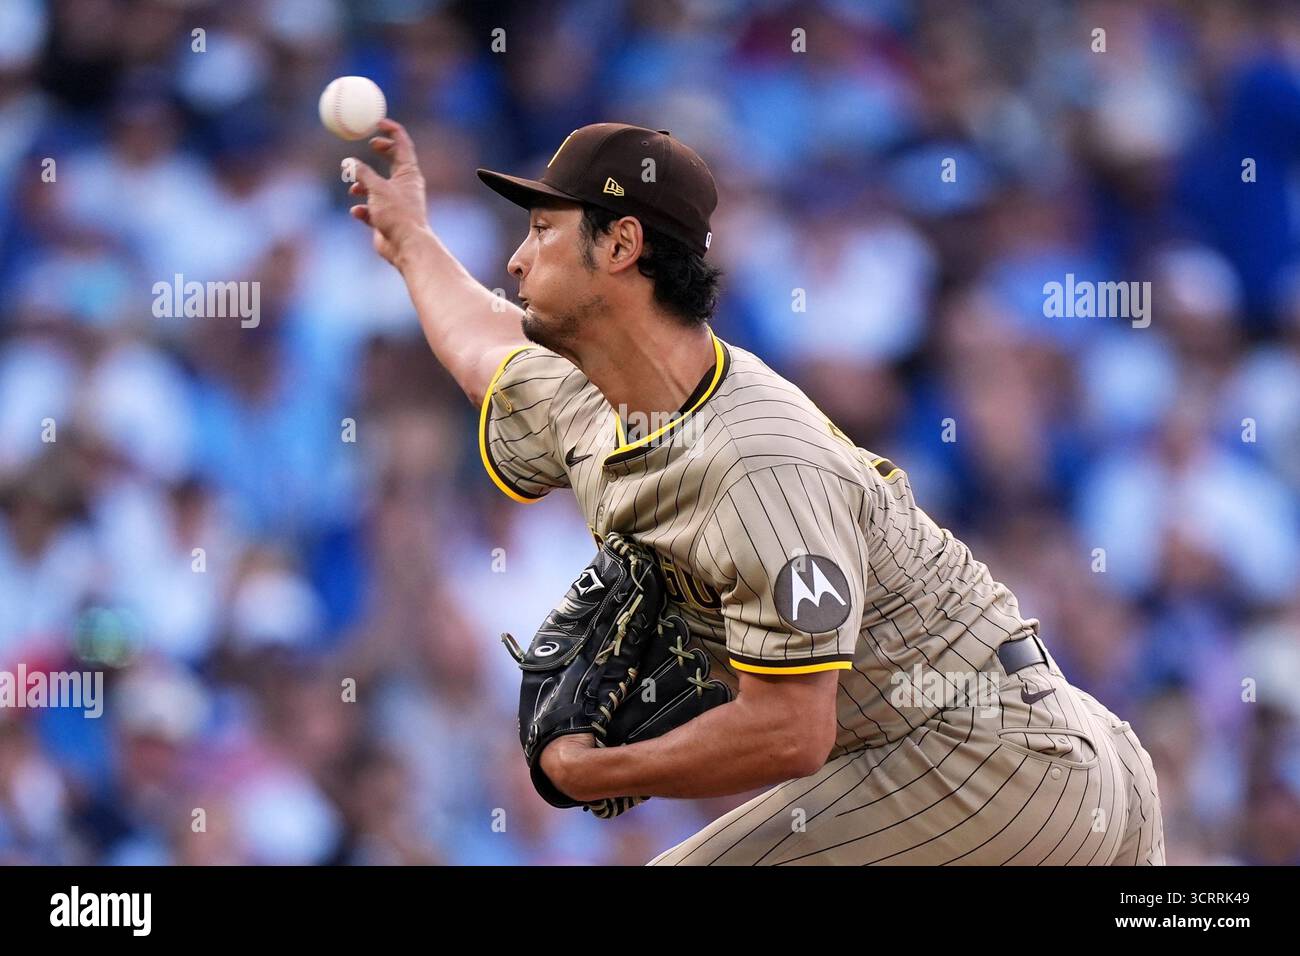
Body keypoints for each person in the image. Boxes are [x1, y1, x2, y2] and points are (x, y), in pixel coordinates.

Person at [344, 119, 1165, 865]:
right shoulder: (592, 399)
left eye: (544, 229)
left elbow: (791, 730)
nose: (518, 258)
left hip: (986, 759)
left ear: (622, 243)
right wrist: (411, 239)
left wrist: (593, 771)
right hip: (1050, 766)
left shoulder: (755, 461)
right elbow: (483, 346)